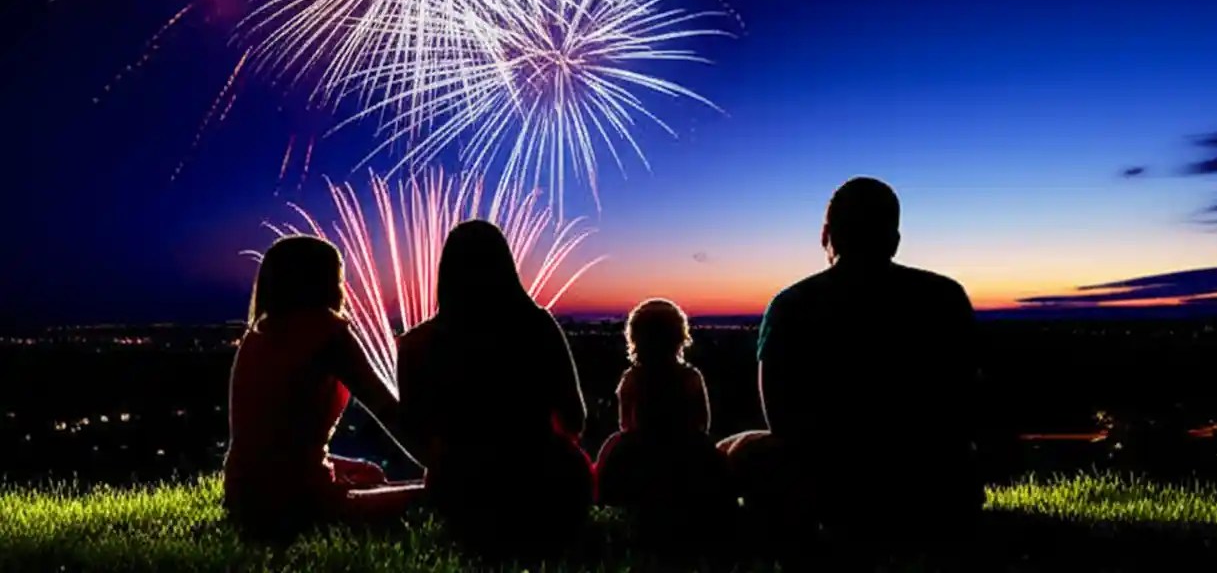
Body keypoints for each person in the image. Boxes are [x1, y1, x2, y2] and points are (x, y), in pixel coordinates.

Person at [719, 177, 983, 540]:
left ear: (827, 235)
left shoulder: (791, 305)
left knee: (737, 446)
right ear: (894, 241)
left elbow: (779, 417)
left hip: (827, 493)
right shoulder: (946, 297)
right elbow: (968, 398)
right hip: (938, 488)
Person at [398, 220, 593, 552]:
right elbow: (575, 419)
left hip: (462, 492)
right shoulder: (539, 327)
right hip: (553, 487)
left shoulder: (417, 343)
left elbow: (417, 435)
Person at [224, 235, 424, 540]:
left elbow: (270, 440)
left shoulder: (257, 333)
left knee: (370, 473)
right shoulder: (329, 331)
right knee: (433, 496)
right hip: (296, 501)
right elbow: (386, 410)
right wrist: (438, 461)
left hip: (242, 492)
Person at [595, 299, 731, 528]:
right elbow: (703, 422)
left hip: (636, 456)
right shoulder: (691, 377)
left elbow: (624, 422)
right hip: (689, 454)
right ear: (680, 336)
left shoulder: (632, 378)